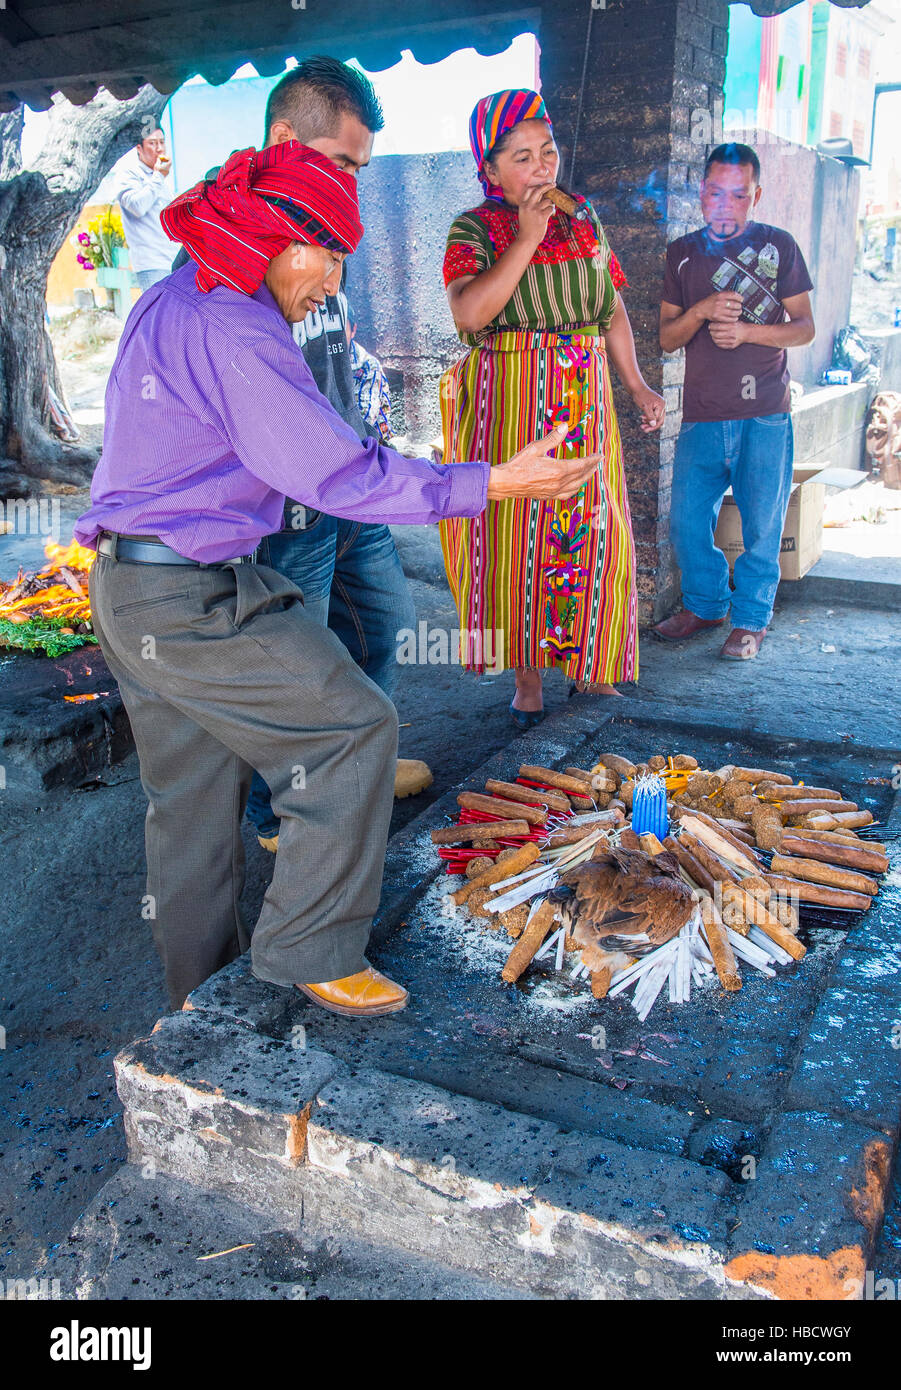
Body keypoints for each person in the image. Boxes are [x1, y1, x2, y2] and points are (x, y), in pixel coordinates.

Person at [73, 142, 602, 1016]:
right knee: (355, 725)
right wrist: (494, 481)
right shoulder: (235, 325)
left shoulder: (175, 295)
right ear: (282, 241)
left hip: (134, 588)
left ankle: (201, 999)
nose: (331, 283)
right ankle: (309, 949)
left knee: (191, 807)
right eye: (330, 258)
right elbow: (337, 475)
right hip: (188, 598)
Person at [172, 58, 429, 847]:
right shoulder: (219, 262)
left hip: (349, 492)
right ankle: (277, 812)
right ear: (286, 139)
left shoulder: (315, 236)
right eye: (344, 162)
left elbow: (332, 359)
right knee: (297, 677)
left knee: (382, 627)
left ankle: (364, 759)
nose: (352, 181)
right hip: (288, 513)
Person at [440, 90, 664, 727]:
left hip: (583, 398)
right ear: (491, 170)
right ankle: (528, 675)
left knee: (593, 531)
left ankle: (593, 669)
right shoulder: (475, 229)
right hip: (508, 402)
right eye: (521, 158)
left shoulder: (585, 219)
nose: (541, 169)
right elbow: (470, 312)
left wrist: (638, 384)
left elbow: (611, 306)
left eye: (548, 153)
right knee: (516, 535)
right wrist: (527, 237)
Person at [654, 142, 815, 660]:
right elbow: (667, 338)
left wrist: (747, 332)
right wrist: (700, 310)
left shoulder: (779, 247)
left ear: (756, 195)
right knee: (685, 521)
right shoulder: (681, 252)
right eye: (716, 193)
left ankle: (750, 621)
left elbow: (805, 328)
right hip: (703, 413)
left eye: (739, 195)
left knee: (762, 526)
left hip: (765, 414)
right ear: (702, 193)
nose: (726, 205)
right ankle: (706, 604)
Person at [116, 127, 174, 292]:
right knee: (159, 315)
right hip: (151, 263)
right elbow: (137, 206)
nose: (159, 149)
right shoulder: (128, 175)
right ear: (139, 148)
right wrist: (158, 177)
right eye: (152, 143)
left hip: (171, 259)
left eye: (162, 142)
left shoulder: (162, 178)